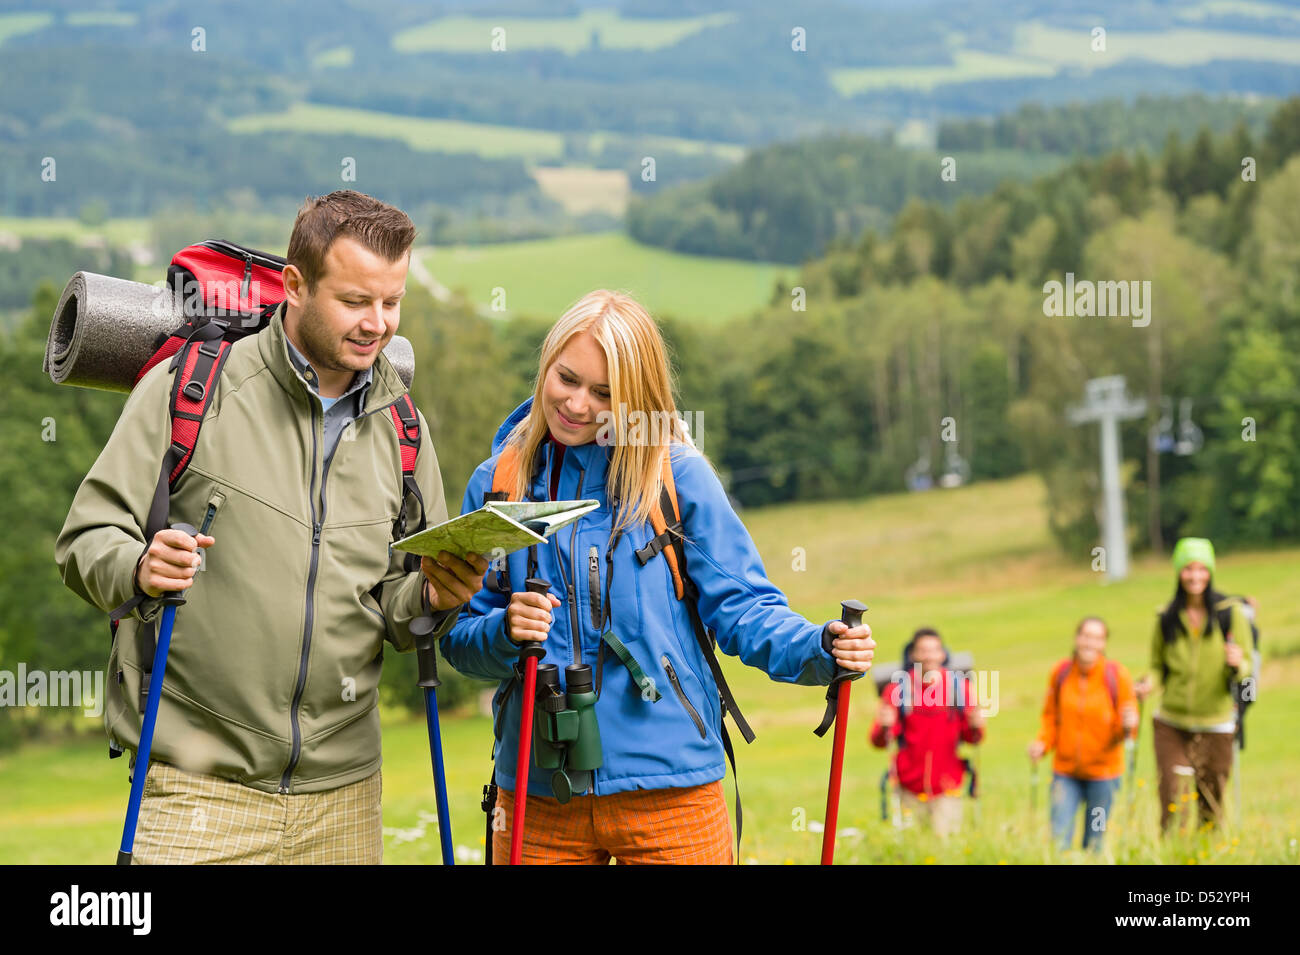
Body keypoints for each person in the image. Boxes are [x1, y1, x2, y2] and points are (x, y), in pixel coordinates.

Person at [55, 190, 487, 863]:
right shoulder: (187, 390)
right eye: (354, 301)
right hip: (197, 786)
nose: (378, 324)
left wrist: (434, 597)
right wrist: (139, 567)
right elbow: (87, 537)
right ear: (294, 285)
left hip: (346, 797)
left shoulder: (403, 427)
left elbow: (396, 607)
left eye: (392, 302)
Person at [438, 289, 875, 865]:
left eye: (604, 394)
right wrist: (504, 634)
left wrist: (820, 647)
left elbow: (743, 609)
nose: (576, 404)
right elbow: (456, 635)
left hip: (673, 791)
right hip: (539, 791)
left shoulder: (678, 479)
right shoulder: (499, 484)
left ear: (636, 399)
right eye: (566, 379)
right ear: (545, 364)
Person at [1134, 537, 1252, 835]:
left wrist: (1238, 663)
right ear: (1178, 572)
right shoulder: (1166, 618)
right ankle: (1170, 856)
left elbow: (1247, 667)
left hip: (1216, 724)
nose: (1195, 575)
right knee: (1172, 800)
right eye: (1188, 568)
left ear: (1210, 572)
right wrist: (1149, 683)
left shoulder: (1230, 613)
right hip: (1171, 723)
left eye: (1202, 568)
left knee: (1210, 806)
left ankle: (1205, 858)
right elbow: (1158, 666)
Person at [1029, 616, 1137, 852]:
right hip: (1065, 775)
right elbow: (1050, 718)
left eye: (1097, 638)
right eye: (1086, 636)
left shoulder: (1117, 676)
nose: (1090, 643)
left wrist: (1129, 725)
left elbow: (1127, 729)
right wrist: (1042, 744)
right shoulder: (1061, 673)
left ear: (1104, 644)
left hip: (1104, 778)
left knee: (1095, 841)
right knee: (1058, 839)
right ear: (1077, 639)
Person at [869, 627, 983, 839]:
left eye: (934, 650)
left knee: (945, 851)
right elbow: (878, 741)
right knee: (912, 852)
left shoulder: (960, 687)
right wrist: (885, 725)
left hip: (947, 787)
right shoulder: (897, 690)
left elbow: (972, 738)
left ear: (943, 654)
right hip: (908, 787)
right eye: (923, 650)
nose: (929, 656)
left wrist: (977, 725)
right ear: (913, 655)